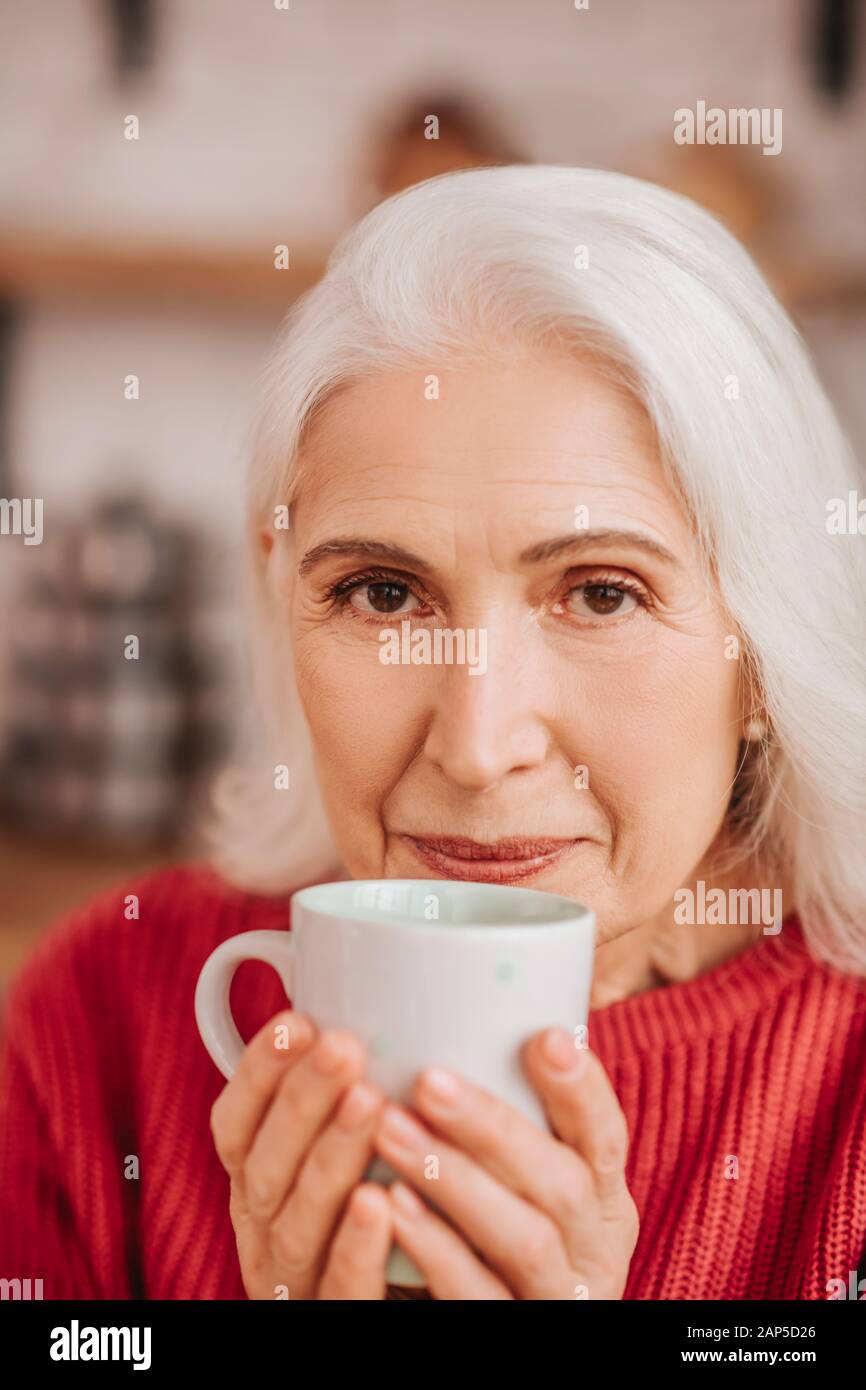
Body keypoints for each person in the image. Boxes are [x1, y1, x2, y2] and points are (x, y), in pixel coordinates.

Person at [1, 165, 865, 1300]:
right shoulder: (99, 1018)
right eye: (381, 594)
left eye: (600, 593)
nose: (475, 742)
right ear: (278, 596)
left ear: (762, 645)